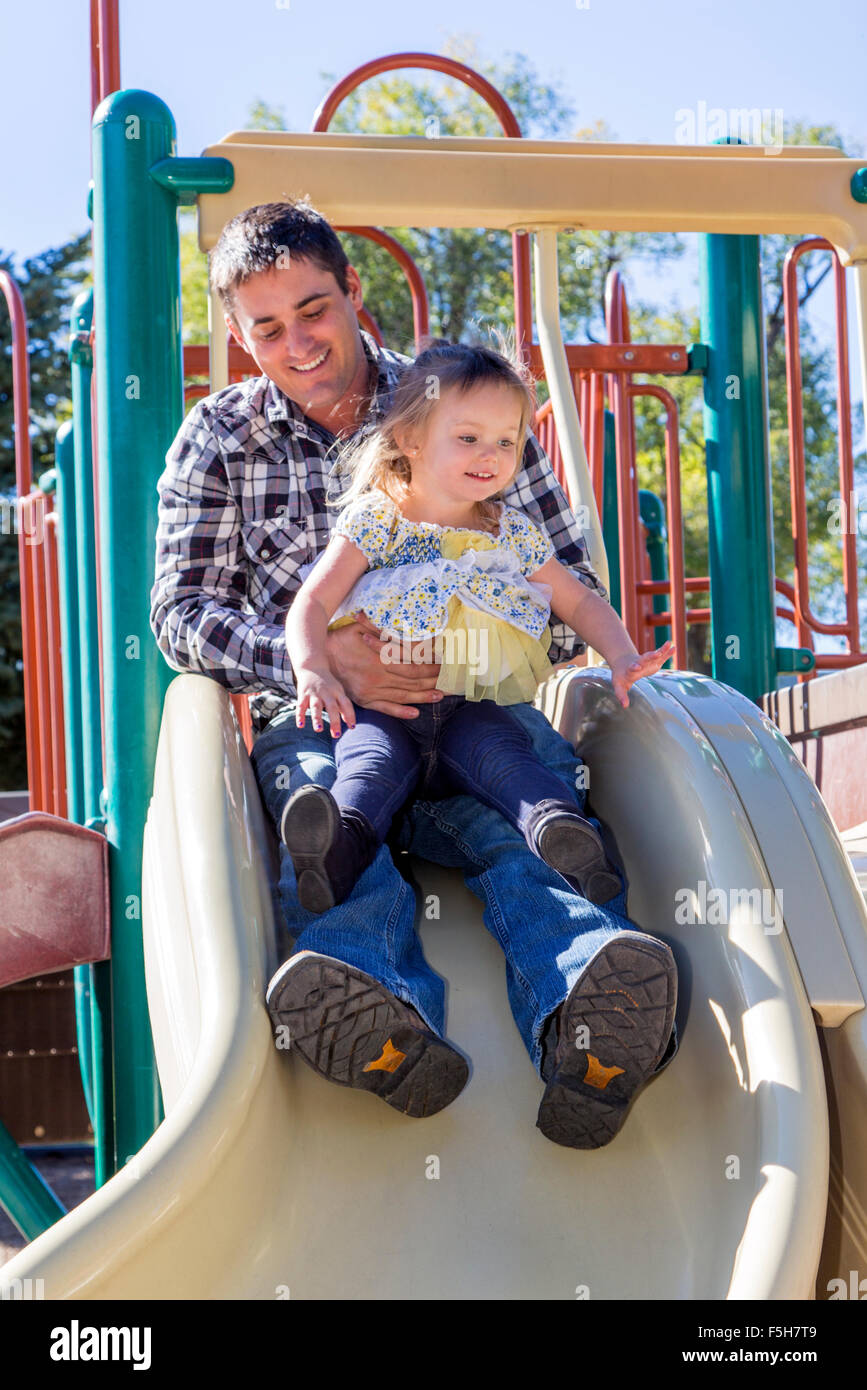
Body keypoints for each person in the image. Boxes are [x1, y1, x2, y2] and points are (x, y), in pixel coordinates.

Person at [149, 199, 678, 1151]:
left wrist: (474, 646)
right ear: (238, 335)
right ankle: (378, 1017)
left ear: (352, 293)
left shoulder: (459, 406)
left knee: (528, 815)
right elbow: (180, 615)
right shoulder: (219, 441)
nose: (297, 342)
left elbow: (562, 584)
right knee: (323, 823)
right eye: (266, 328)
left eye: (313, 309)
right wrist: (317, 657)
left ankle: (589, 1018)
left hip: (470, 704)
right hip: (327, 716)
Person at [281, 338, 674, 923]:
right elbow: (312, 602)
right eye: (468, 438)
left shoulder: (510, 529)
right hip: (384, 707)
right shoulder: (379, 518)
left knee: (508, 759)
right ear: (411, 439)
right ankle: (335, 850)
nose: (490, 454)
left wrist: (619, 653)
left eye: (506, 442)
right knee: (368, 766)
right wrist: (313, 669)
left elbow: (576, 598)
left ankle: (560, 833)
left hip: (470, 702)